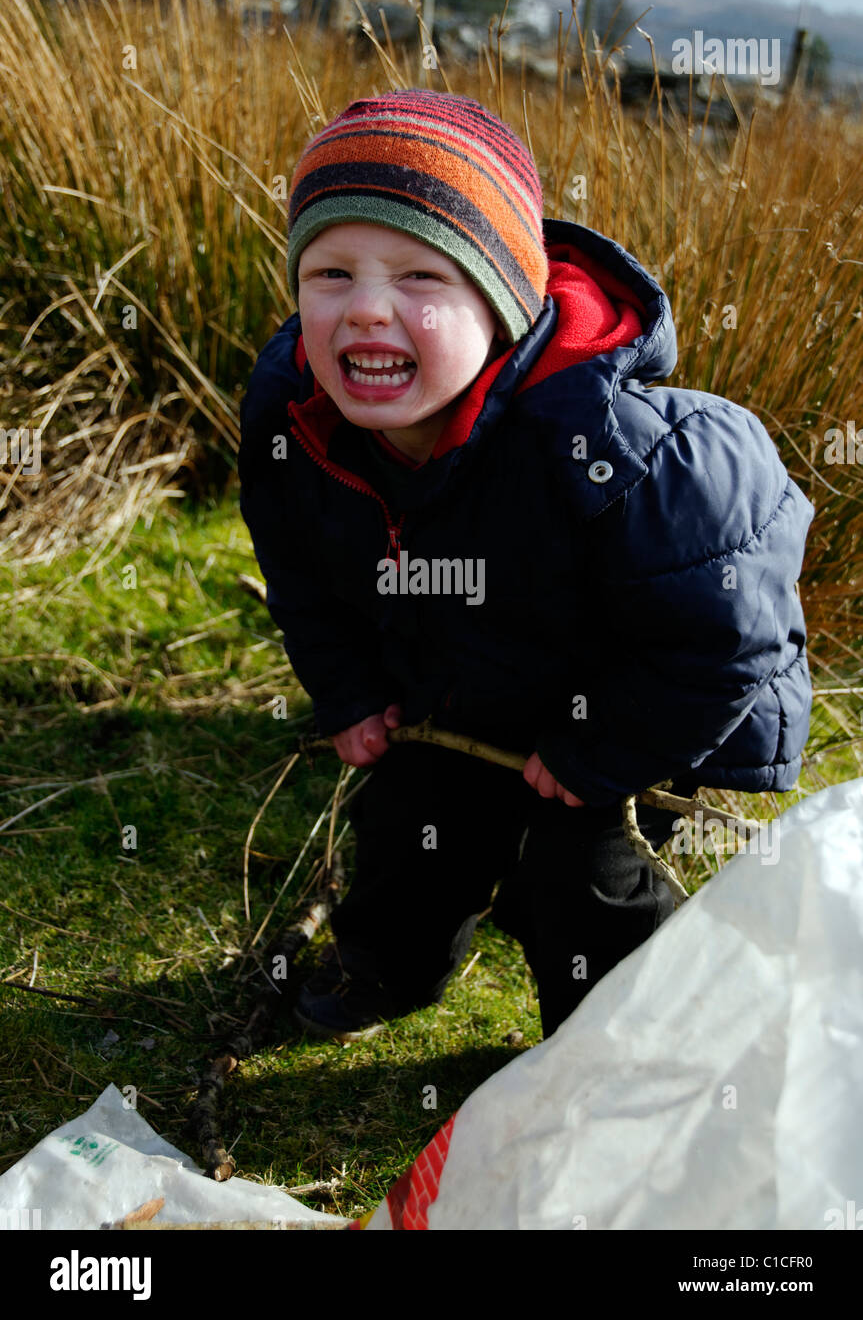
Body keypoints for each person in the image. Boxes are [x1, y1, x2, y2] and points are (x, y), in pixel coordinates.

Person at [239, 89, 814, 1042]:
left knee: (578, 878)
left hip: (624, 712)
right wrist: (345, 691)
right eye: (330, 273)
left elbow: (723, 638)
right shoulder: (295, 418)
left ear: (503, 303)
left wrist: (601, 753)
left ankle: (605, 1050)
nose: (366, 309)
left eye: (422, 278)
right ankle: (386, 971)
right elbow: (300, 570)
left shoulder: (627, 454)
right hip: (460, 695)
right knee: (408, 827)